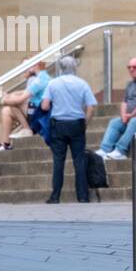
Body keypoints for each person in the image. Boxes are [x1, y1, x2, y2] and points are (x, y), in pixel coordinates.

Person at [40, 55, 97, 203]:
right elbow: (91, 107)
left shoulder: (53, 84)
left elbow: (45, 106)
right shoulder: (82, 84)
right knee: (79, 160)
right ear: (74, 67)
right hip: (77, 124)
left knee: (58, 161)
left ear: (61, 67)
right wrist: (85, 122)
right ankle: (83, 196)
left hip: (58, 125)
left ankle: (55, 196)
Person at [0, 63, 50, 151]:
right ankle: (6, 143)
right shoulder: (36, 79)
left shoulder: (38, 79)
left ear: (36, 65)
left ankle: (27, 129)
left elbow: (20, 99)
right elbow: (21, 93)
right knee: (6, 110)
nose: (24, 69)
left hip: (40, 116)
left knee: (11, 103)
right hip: (36, 112)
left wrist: (2, 100)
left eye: (26, 66)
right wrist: (4, 98)